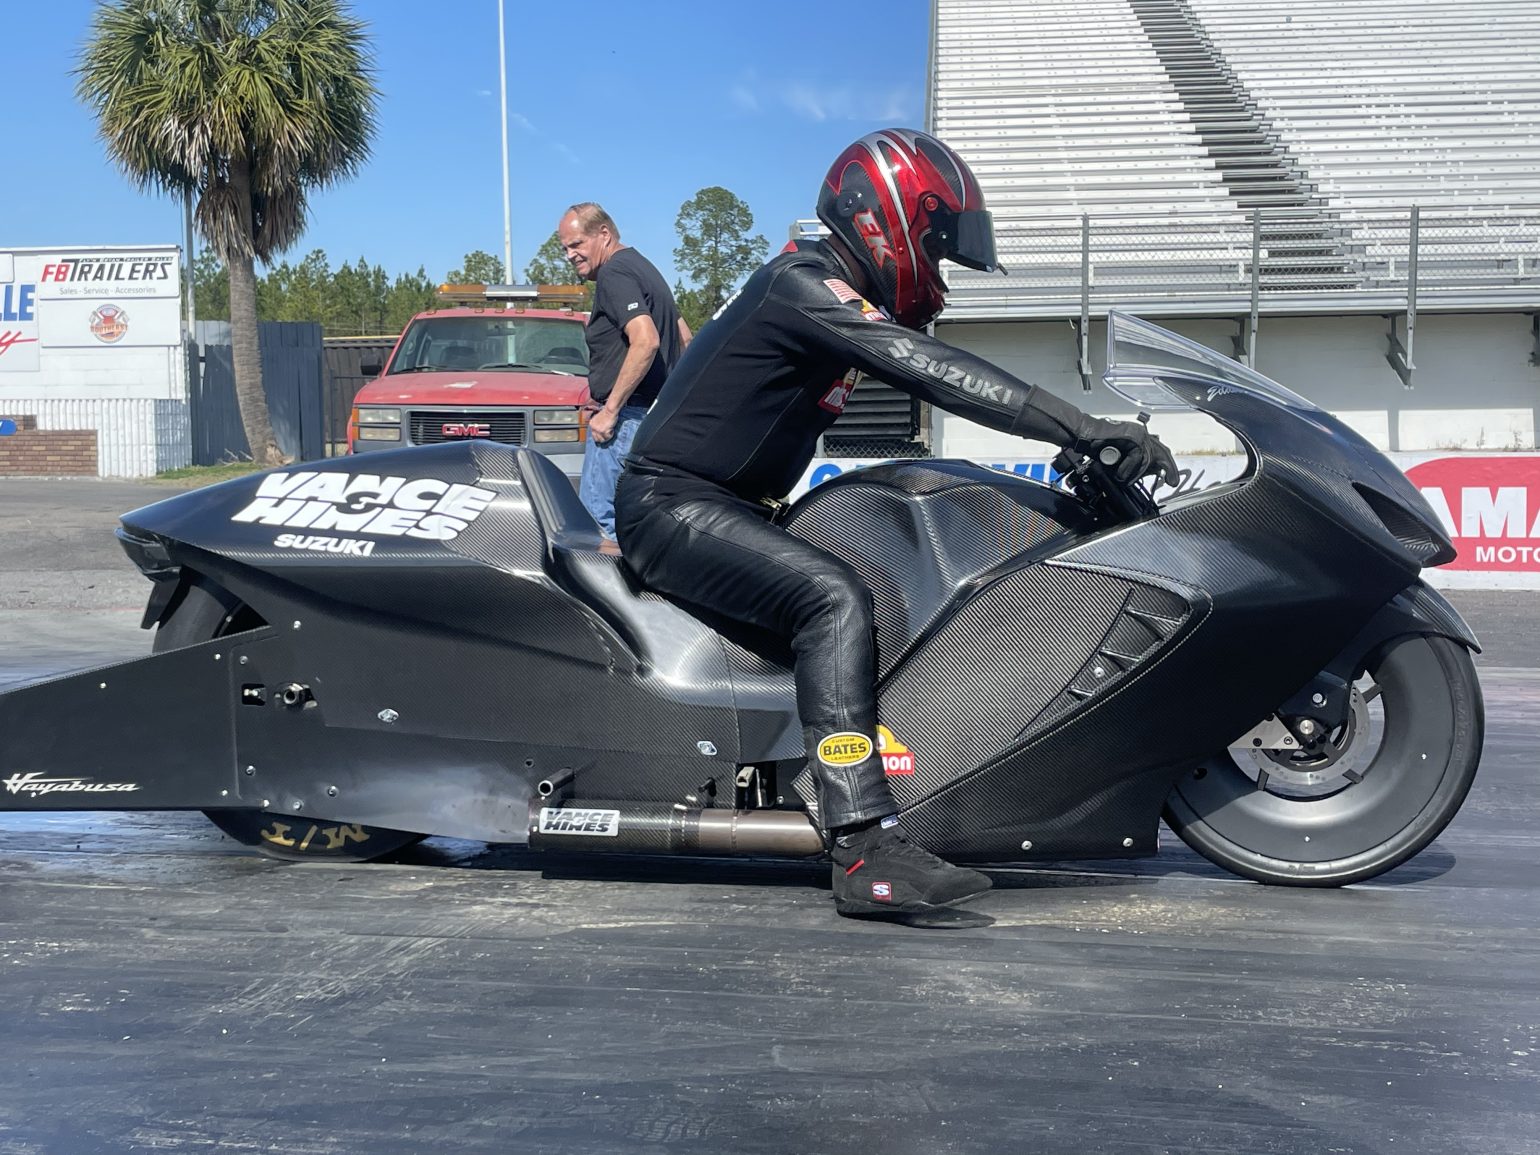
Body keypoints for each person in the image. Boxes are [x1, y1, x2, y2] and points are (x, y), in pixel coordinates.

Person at [614, 129, 1177, 923]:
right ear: (889, 220)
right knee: (833, 599)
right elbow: (931, 369)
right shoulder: (803, 284)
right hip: (671, 505)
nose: (938, 272)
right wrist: (1076, 426)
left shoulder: (823, 290)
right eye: (937, 249)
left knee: (878, 580)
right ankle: (860, 845)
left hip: (725, 505)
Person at [557, 203, 690, 538]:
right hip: (654, 421)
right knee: (640, 527)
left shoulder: (614, 273)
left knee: (599, 527)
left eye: (576, 244)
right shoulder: (645, 268)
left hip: (625, 423)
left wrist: (611, 410)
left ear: (604, 234)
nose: (570, 255)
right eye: (565, 248)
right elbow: (685, 337)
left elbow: (645, 340)